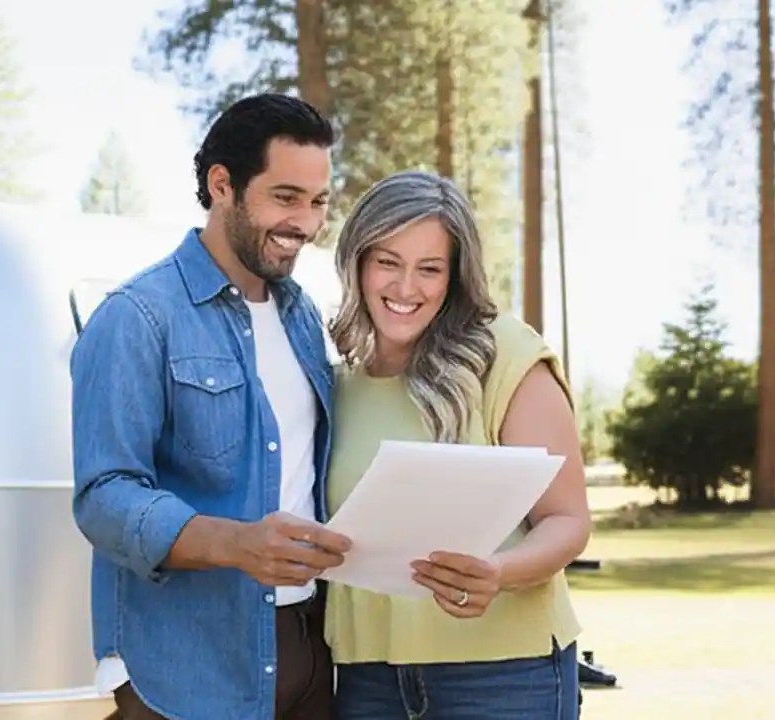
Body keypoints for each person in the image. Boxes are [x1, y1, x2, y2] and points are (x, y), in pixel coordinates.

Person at [70, 92, 353, 720]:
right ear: (221, 185)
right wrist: (237, 544)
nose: (305, 223)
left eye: (317, 201)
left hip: (308, 651)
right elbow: (103, 496)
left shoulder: (303, 316)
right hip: (186, 664)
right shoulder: (137, 317)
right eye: (285, 198)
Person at [323, 170, 591, 719]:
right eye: (388, 262)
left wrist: (499, 573)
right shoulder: (334, 383)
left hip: (505, 677)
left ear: (455, 277)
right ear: (357, 261)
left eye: (429, 269)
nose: (405, 288)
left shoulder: (506, 357)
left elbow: (568, 521)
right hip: (368, 681)